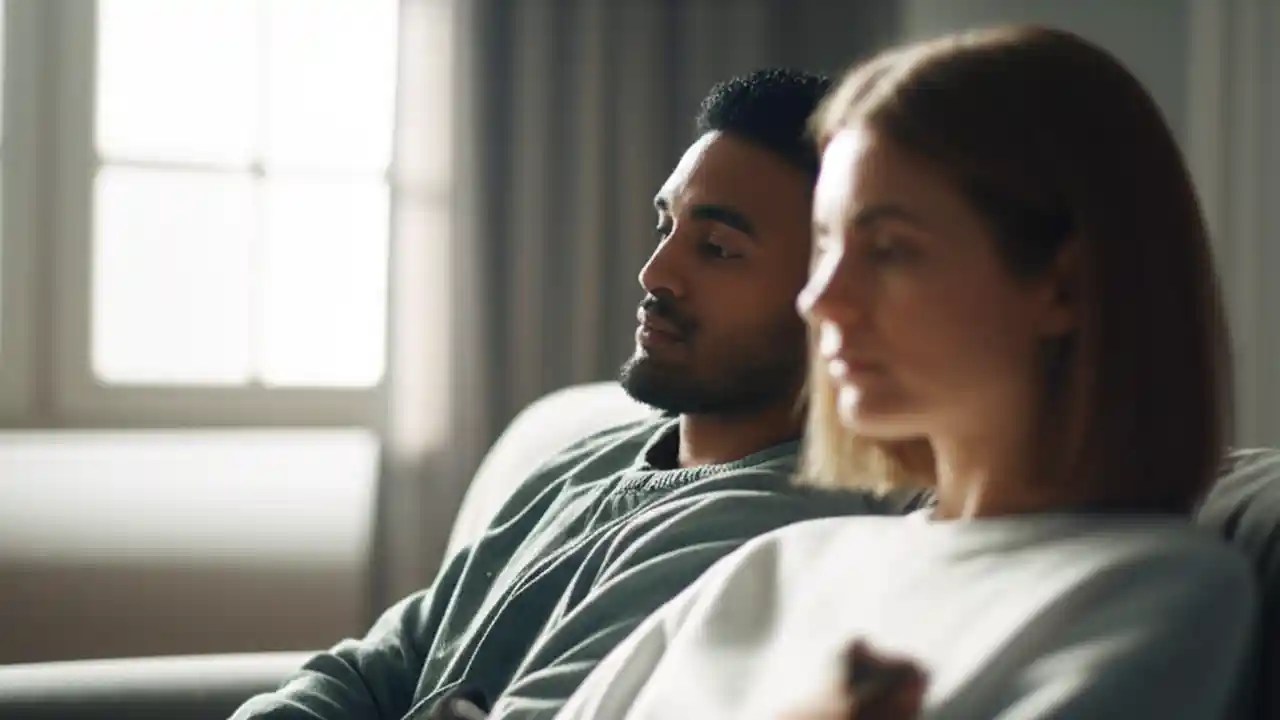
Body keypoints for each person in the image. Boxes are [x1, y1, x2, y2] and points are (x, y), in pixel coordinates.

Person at [550, 27, 1257, 720]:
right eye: (826, 245)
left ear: (1064, 289)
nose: (818, 298)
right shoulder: (774, 567)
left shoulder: (1147, 592)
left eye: (887, 249)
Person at [233, 69, 908, 720]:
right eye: (664, 226)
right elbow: (379, 664)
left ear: (831, 295)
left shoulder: (772, 533)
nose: (654, 273)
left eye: (718, 248)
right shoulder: (580, 460)